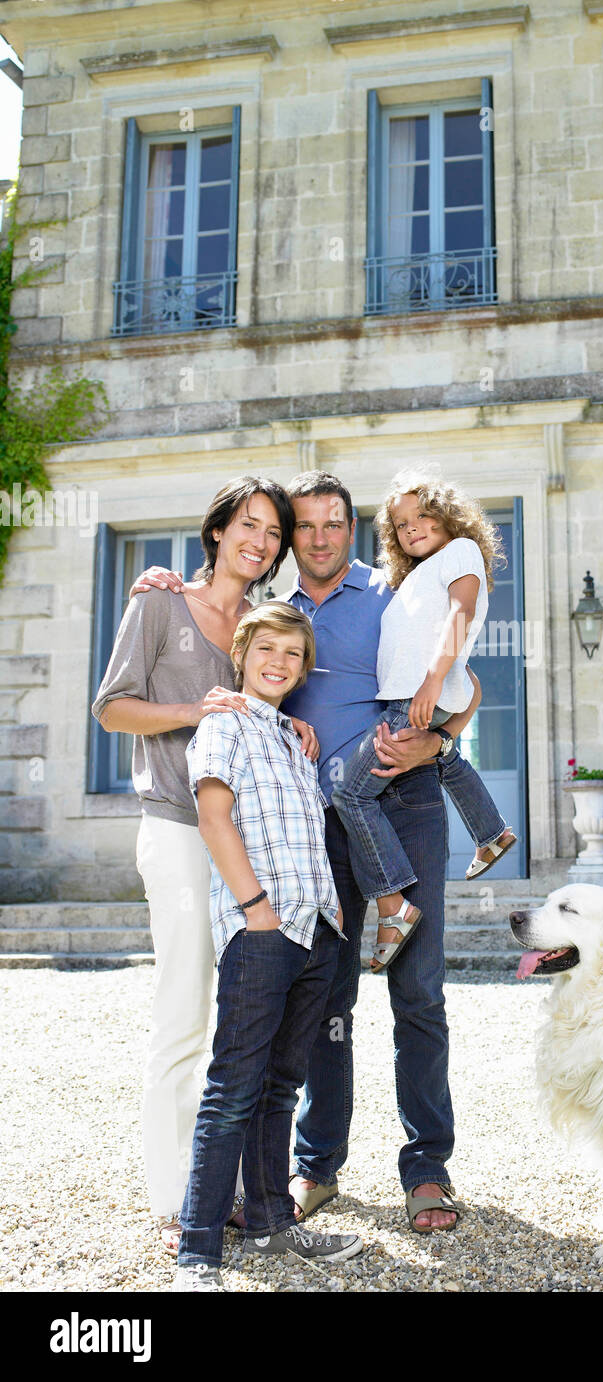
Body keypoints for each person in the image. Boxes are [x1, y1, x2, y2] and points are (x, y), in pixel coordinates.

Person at [129, 471, 477, 1232]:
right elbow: (208, 625)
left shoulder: (395, 593)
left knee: (417, 994)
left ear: (354, 530)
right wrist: (165, 582)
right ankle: (315, 1167)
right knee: (323, 1002)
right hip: (313, 821)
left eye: (333, 524)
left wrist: (441, 740)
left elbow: (463, 680)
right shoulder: (267, 610)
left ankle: (425, 1171)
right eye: (304, 526)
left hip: (403, 807)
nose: (317, 538)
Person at [92, 477, 318, 1254]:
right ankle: (176, 1199)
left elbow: (264, 697)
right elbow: (112, 706)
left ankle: (235, 1190)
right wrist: (198, 708)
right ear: (217, 530)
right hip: (180, 831)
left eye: (273, 533)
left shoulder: (257, 622)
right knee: (183, 1011)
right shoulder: (157, 602)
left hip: (250, 844)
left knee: (243, 1024)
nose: (260, 540)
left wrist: (294, 731)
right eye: (247, 524)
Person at [175, 602, 361, 1292]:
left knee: (282, 1084)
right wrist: (254, 908)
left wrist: (334, 913)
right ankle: (197, 1252)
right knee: (234, 1086)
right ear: (243, 655)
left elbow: (305, 834)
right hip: (262, 931)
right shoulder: (223, 724)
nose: (279, 663)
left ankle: (271, 1224)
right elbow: (213, 815)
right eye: (267, 651)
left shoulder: (291, 737)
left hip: (316, 932)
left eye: (292, 654)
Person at [330, 471, 516, 973]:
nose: (412, 527)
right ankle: (492, 832)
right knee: (439, 757)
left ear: (449, 515)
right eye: (401, 523)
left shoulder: (458, 552)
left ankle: (394, 904)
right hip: (411, 693)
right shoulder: (417, 574)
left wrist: (434, 681)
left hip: (414, 695)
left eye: (423, 515)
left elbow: (462, 611)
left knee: (350, 793)